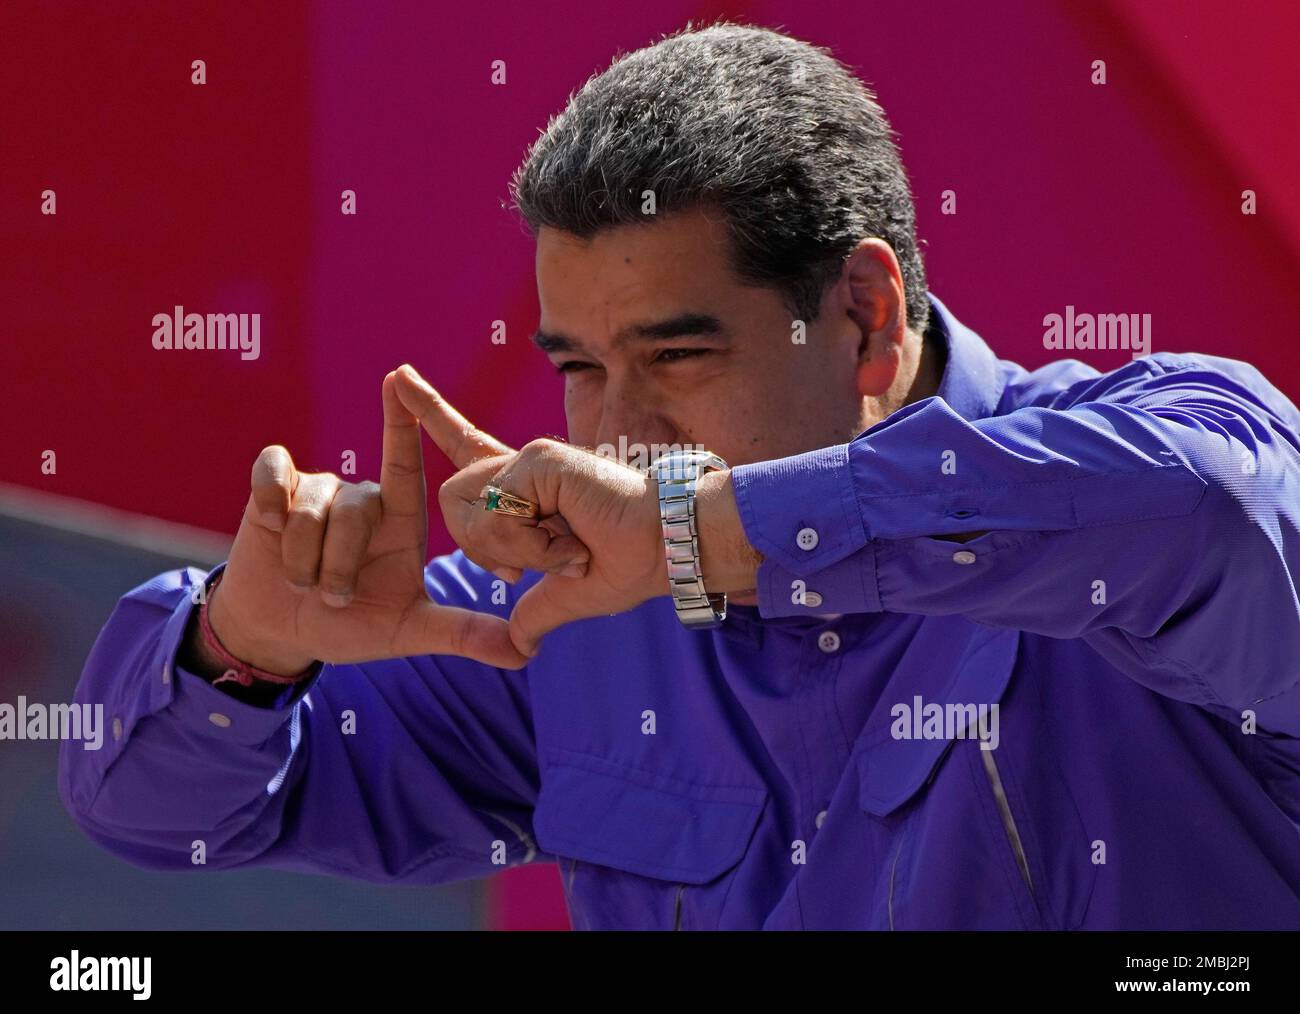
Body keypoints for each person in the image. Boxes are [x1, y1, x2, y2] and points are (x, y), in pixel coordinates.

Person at [59, 23, 1300, 929]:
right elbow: (154, 814)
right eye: (579, 368)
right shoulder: (561, 614)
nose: (618, 430)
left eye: (675, 353)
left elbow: (1219, 508)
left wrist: (716, 535)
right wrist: (246, 650)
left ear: (864, 317)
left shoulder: (1140, 462)